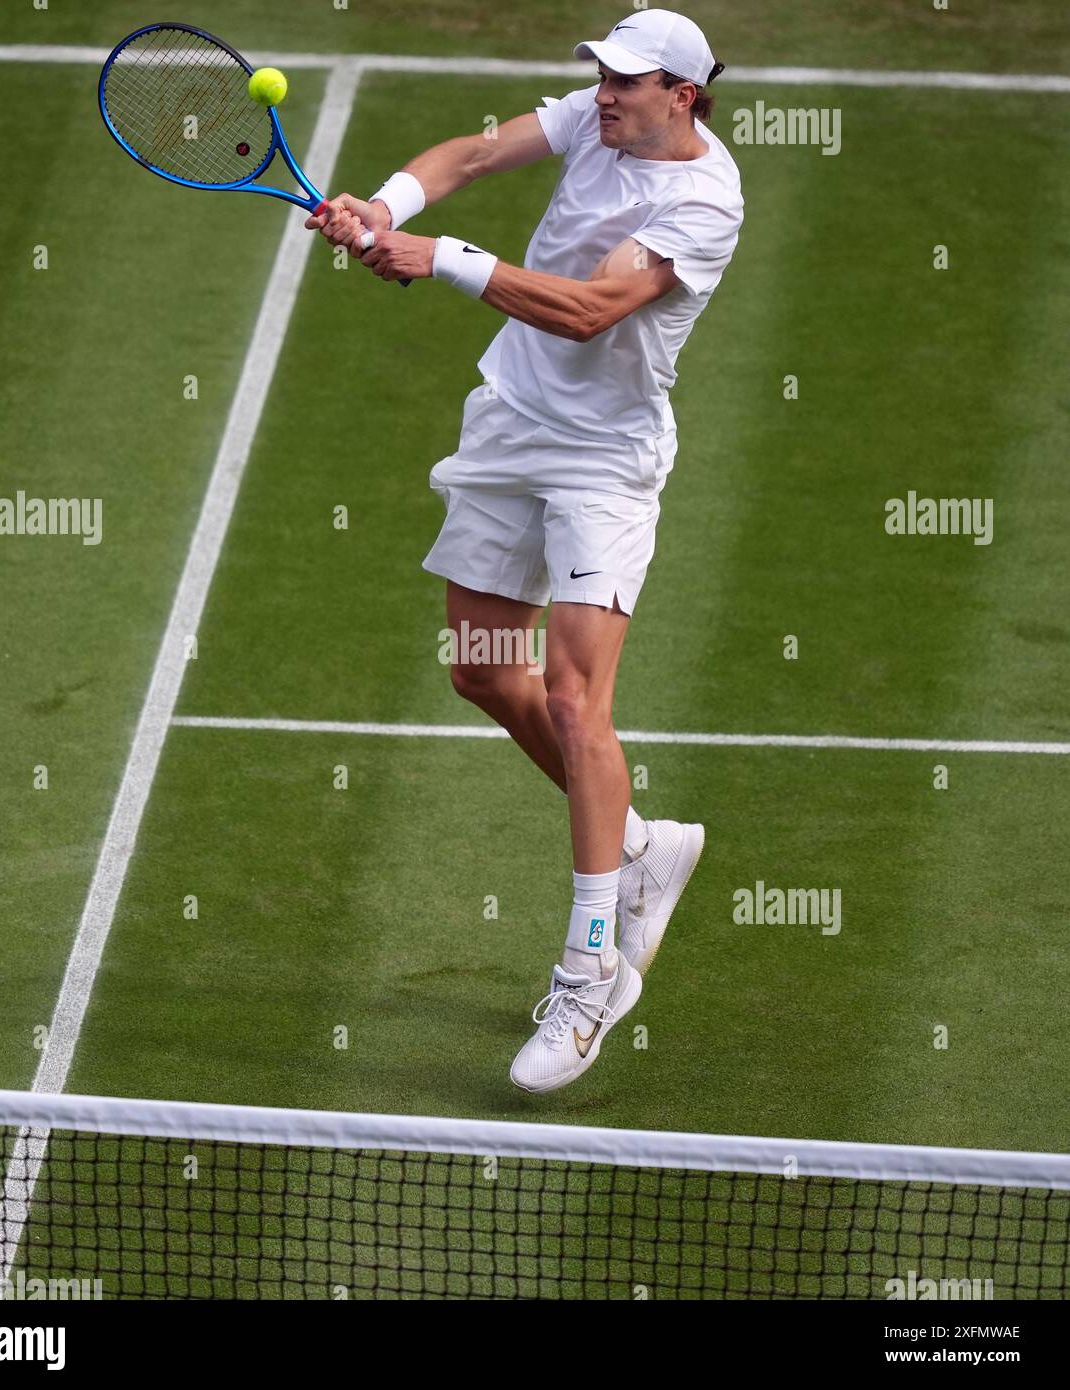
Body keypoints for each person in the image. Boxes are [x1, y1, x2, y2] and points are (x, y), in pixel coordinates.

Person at [306, 10, 743, 1092]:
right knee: (481, 670)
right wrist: (386, 207)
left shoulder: (703, 200)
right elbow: (472, 151)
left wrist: (441, 257)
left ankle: (590, 974)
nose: (603, 93)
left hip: (604, 464)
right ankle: (641, 850)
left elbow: (592, 310)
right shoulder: (598, 124)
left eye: (626, 83)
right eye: (599, 76)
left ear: (681, 96)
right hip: (509, 424)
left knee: (572, 695)